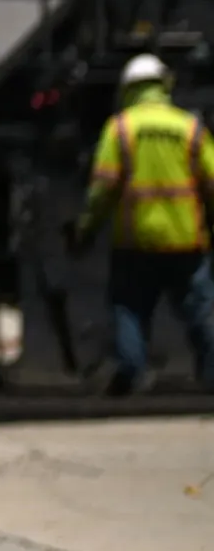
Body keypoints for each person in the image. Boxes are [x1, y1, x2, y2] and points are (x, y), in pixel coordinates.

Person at [68, 52, 214, 395]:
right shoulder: (190, 127)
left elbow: (102, 190)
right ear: (164, 85)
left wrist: (85, 232)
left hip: (136, 241)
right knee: (200, 313)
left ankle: (131, 374)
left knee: (130, 310)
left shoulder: (119, 128)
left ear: (128, 89)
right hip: (186, 240)